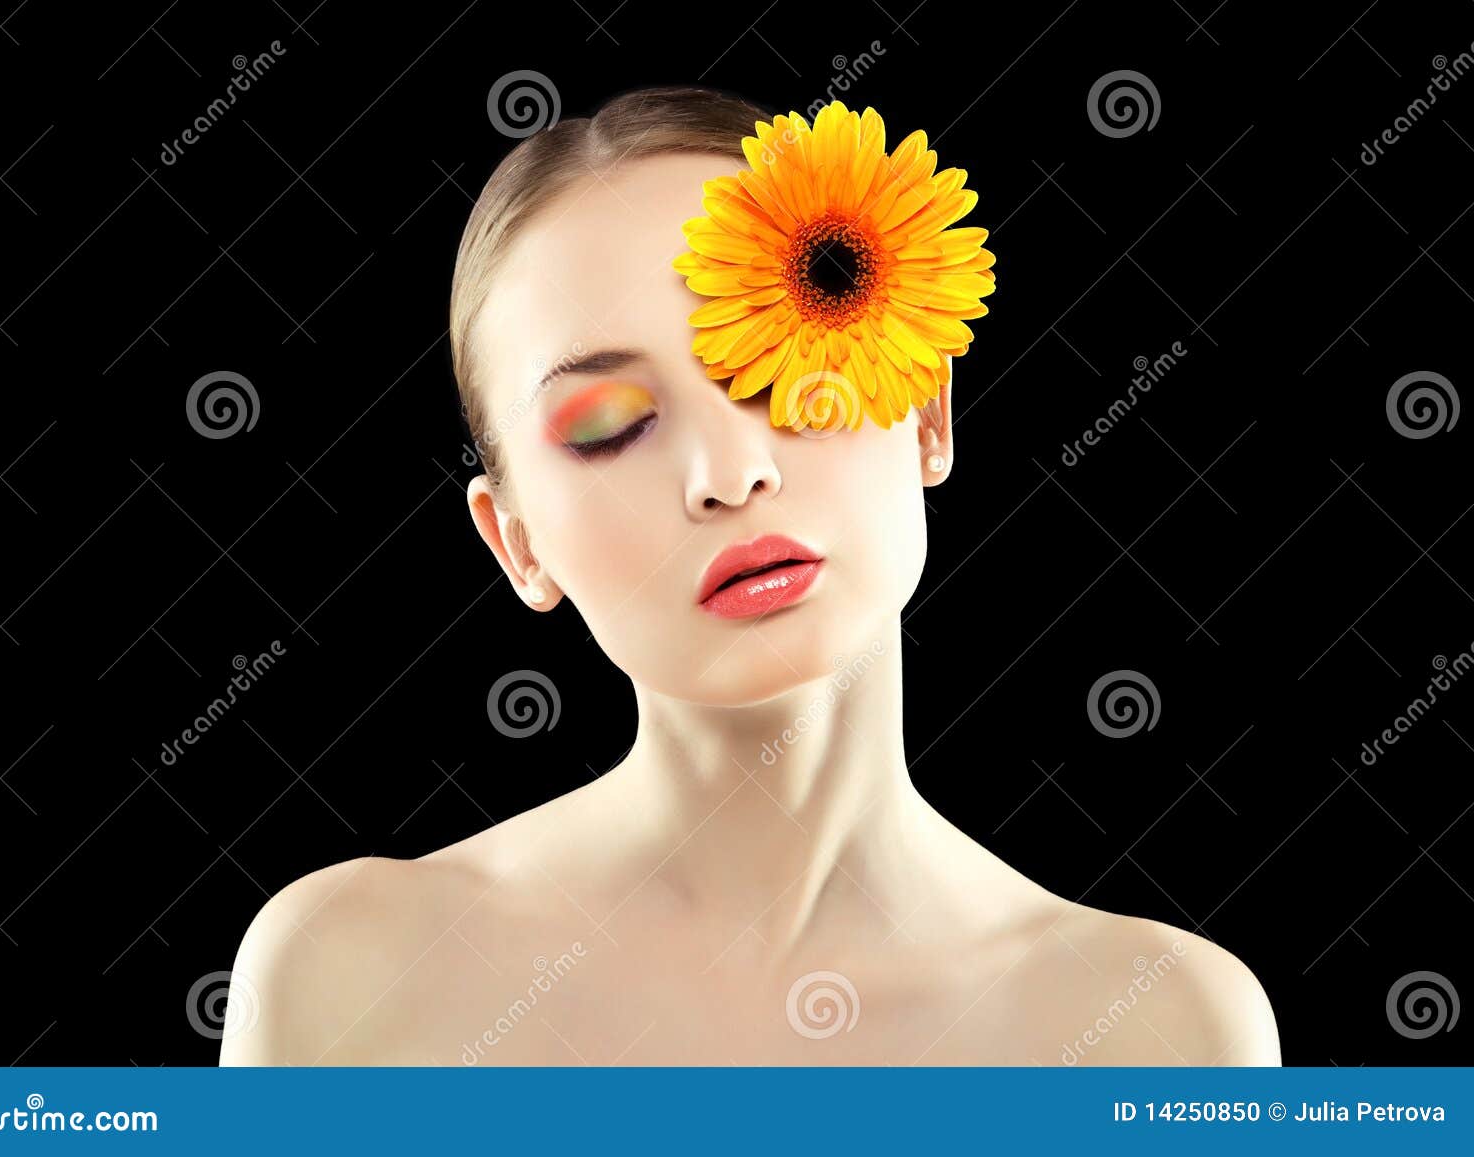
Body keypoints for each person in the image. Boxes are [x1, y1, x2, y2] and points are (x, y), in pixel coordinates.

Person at [221, 86, 1279, 1066]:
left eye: (779, 369)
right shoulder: (345, 973)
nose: (730, 473)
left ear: (924, 410)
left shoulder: (1167, 1028)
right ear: (517, 544)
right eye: (610, 427)